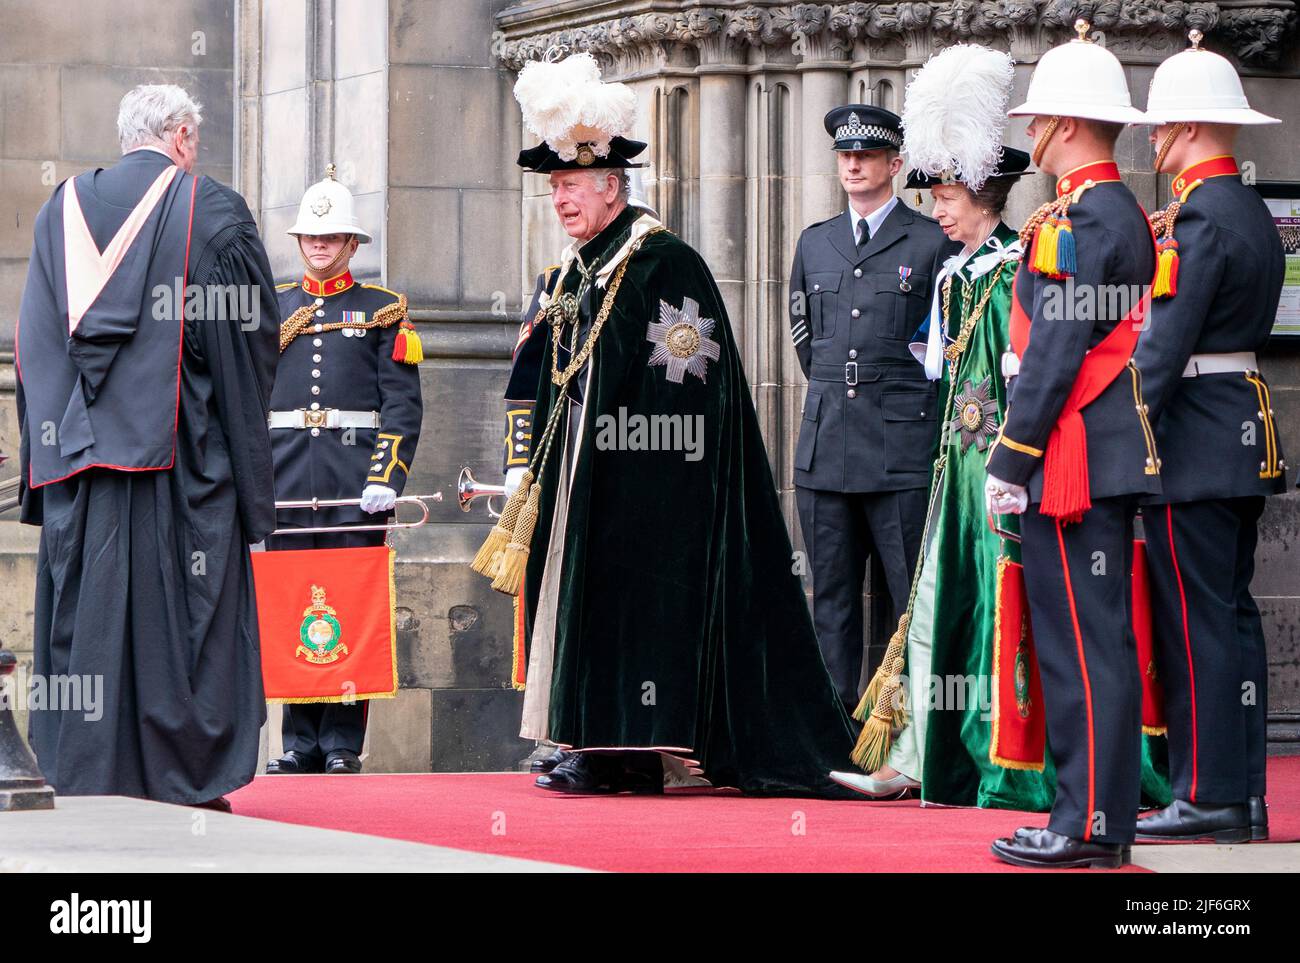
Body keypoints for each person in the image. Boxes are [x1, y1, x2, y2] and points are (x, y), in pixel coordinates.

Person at [471, 51, 854, 796]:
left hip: (644, 477)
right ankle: (583, 736)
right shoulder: (579, 269)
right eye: (555, 188)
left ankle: (632, 750)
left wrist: (636, 455)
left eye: (572, 187)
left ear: (612, 188)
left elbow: (689, 379)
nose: (561, 201)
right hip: (584, 469)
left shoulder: (662, 263)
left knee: (631, 605)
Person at [15, 84, 279, 809]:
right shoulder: (212, 212)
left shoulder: (56, 212)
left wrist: (49, 461)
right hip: (179, 472)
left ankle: (88, 771)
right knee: (180, 629)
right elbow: (245, 355)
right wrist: (250, 481)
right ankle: (182, 779)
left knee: (86, 630)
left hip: (80, 470)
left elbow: (32, 350)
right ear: (184, 136)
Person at [827, 44, 1051, 808]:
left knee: (994, 604)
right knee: (936, 603)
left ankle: (1000, 756)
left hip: (999, 463)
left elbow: (1027, 370)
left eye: (949, 195)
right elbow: (935, 367)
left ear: (983, 194)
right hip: (951, 463)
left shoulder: (1020, 263)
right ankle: (917, 755)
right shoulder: (955, 273)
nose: (938, 209)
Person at [984, 20, 1161, 869]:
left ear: (1067, 125)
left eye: (1040, 118)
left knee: (1081, 642)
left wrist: (1011, 455)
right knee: (1089, 639)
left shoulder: (1088, 216)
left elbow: (1056, 345)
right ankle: (1091, 816)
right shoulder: (1101, 209)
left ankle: (1085, 821)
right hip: (1087, 446)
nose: (1032, 132)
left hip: (1073, 453)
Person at [1133, 30, 1286, 844]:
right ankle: (1239, 792)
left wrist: (1116, 432)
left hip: (1191, 440)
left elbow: (1160, 350)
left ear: (1189, 129)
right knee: (1228, 617)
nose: (1154, 141)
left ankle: (1208, 791)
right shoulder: (1244, 211)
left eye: (1160, 128)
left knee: (1196, 622)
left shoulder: (1198, 220)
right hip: (1235, 433)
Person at [788, 104, 957, 718]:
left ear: (895, 164)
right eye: (844, 155)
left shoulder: (932, 241)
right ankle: (834, 725)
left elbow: (945, 345)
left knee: (904, 593)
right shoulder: (816, 242)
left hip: (901, 448)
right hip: (827, 442)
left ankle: (899, 733)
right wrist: (839, 390)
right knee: (830, 594)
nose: (853, 164)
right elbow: (804, 332)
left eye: (866, 155)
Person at [263, 167, 423, 776]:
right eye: (311, 237)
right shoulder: (274, 309)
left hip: (355, 484)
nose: (320, 246)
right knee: (291, 602)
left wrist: (387, 476)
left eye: (332, 238)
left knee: (348, 609)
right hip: (283, 482)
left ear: (353, 244)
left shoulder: (383, 311)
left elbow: (402, 405)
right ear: (299, 242)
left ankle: (340, 744)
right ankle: (299, 741)